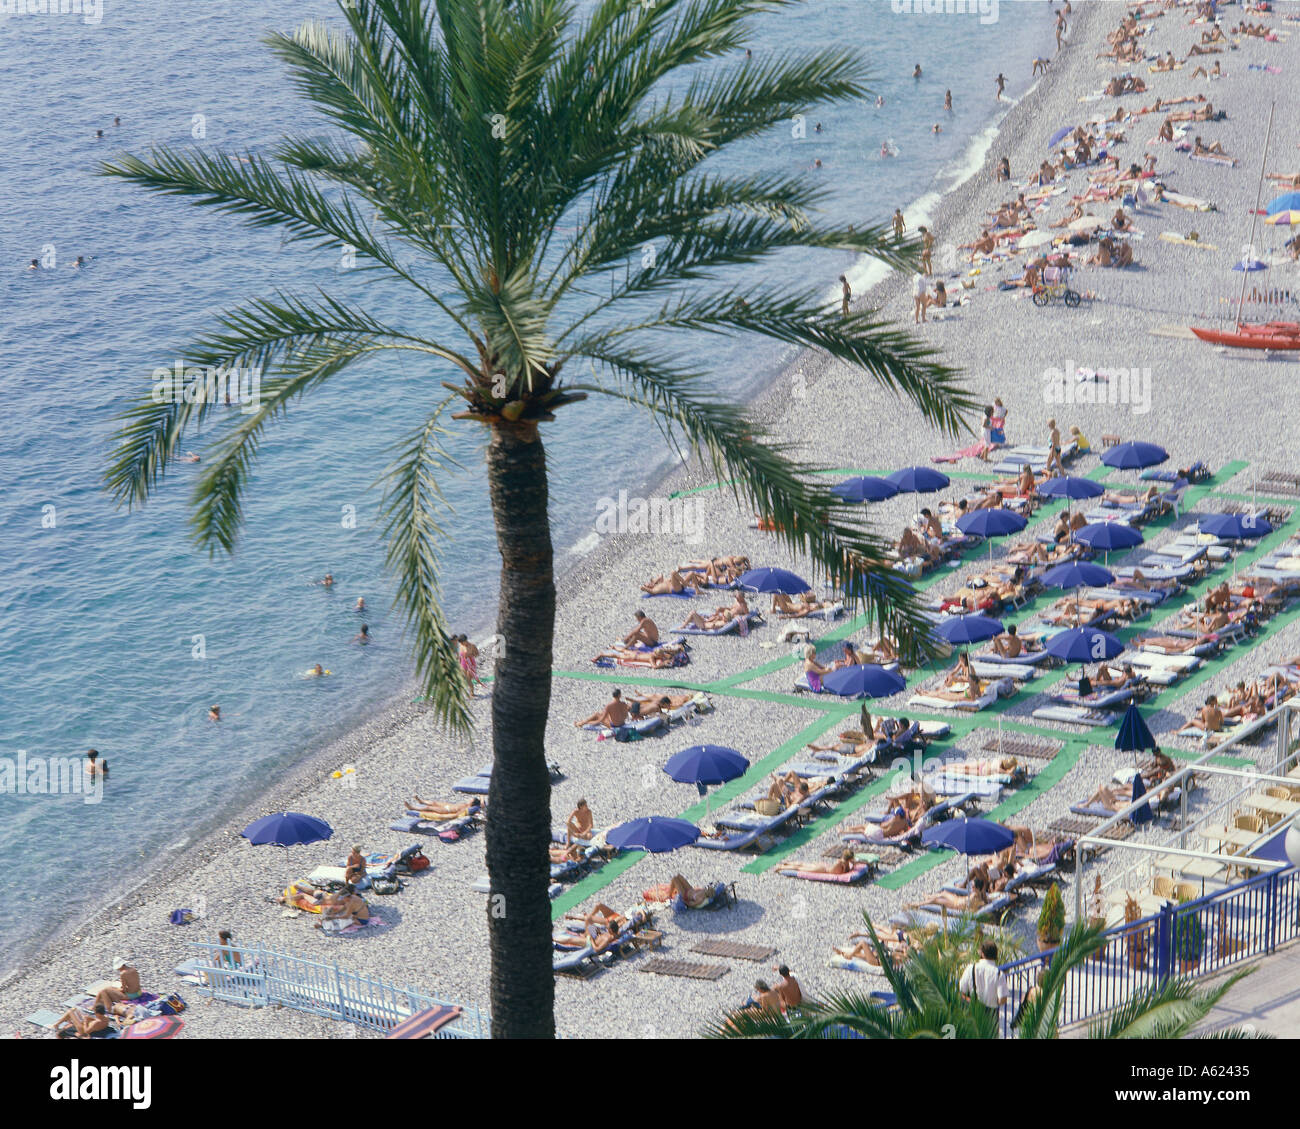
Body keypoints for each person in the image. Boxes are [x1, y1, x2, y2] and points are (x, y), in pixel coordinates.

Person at [960, 941, 1010, 1011]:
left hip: (974, 1010)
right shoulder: (998, 974)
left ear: (982, 954)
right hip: (991, 1013)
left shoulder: (971, 968)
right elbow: (1002, 999)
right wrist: (993, 1003)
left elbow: (961, 991)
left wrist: (971, 1001)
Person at [783, 849, 857, 875]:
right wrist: (847, 867)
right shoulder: (840, 863)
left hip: (824, 867)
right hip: (822, 870)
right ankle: (782, 867)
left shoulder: (845, 862)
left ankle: (788, 863)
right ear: (849, 859)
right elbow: (842, 874)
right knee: (800, 868)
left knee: (803, 865)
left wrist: (852, 865)